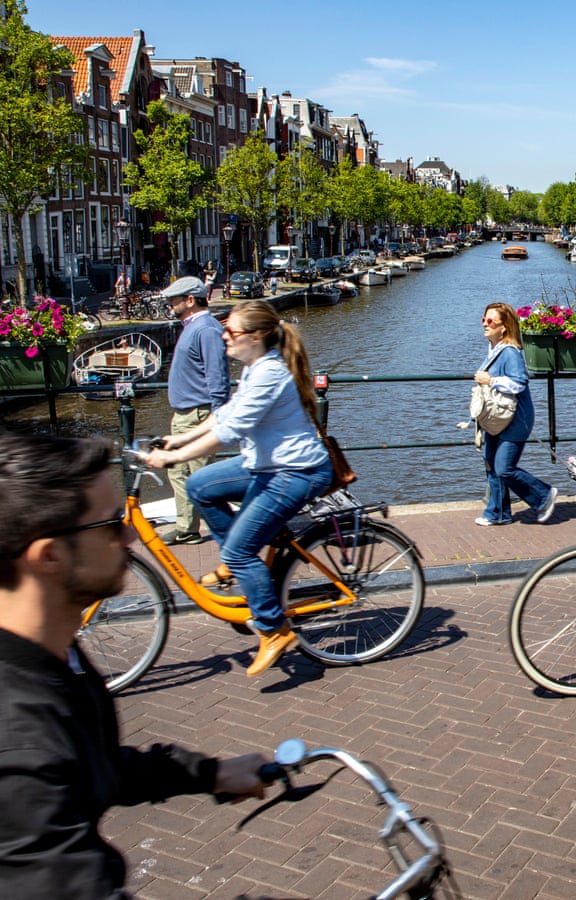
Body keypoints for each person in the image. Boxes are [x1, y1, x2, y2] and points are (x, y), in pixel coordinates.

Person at [0, 432, 267, 896]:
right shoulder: (19, 744)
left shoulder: (50, 649)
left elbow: (89, 764)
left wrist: (208, 773)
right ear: (48, 556)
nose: (128, 536)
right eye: (109, 525)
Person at [146, 300, 333, 676]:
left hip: (296, 471)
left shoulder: (268, 374)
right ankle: (241, 563)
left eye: (230, 331)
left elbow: (229, 433)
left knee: (238, 551)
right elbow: (224, 415)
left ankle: (273, 628)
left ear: (256, 336)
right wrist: (176, 440)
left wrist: (173, 459)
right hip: (264, 464)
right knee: (200, 486)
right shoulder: (254, 368)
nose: (224, 337)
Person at [474, 302, 557, 526]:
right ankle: (498, 514)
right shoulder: (493, 350)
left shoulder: (510, 352)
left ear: (504, 327)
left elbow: (520, 382)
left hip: (514, 419)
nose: (484, 324)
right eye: (483, 319)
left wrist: (490, 380)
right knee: (491, 464)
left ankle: (543, 496)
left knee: (504, 468)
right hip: (496, 418)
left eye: (490, 321)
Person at [163, 285, 230, 545]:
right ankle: (186, 528)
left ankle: (226, 534)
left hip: (198, 414)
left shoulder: (205, 329)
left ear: (190, 300)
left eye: (173, 300)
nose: (170, 304)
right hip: (185, 413)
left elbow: (217, 376)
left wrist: (216, 415)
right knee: (178, 471)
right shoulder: (194, 327)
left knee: (203, 478)